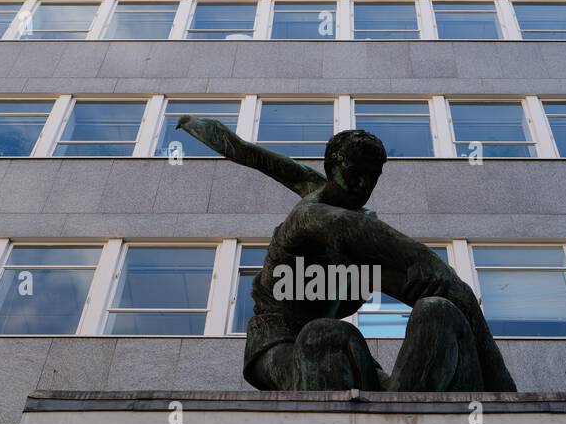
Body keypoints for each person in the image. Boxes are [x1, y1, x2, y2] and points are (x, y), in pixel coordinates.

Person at [175, 115, 517, 392]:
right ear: (331, 166)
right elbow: (348, 227)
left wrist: (507, 395)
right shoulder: (309, 216)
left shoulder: (344, 223)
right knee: (327, 335)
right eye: (355, 174)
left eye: (372, 177)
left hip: (338, 347)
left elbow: (275, 165)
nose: (363, 186)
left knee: (441, 308)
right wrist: (425, 261)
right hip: (281, 345)